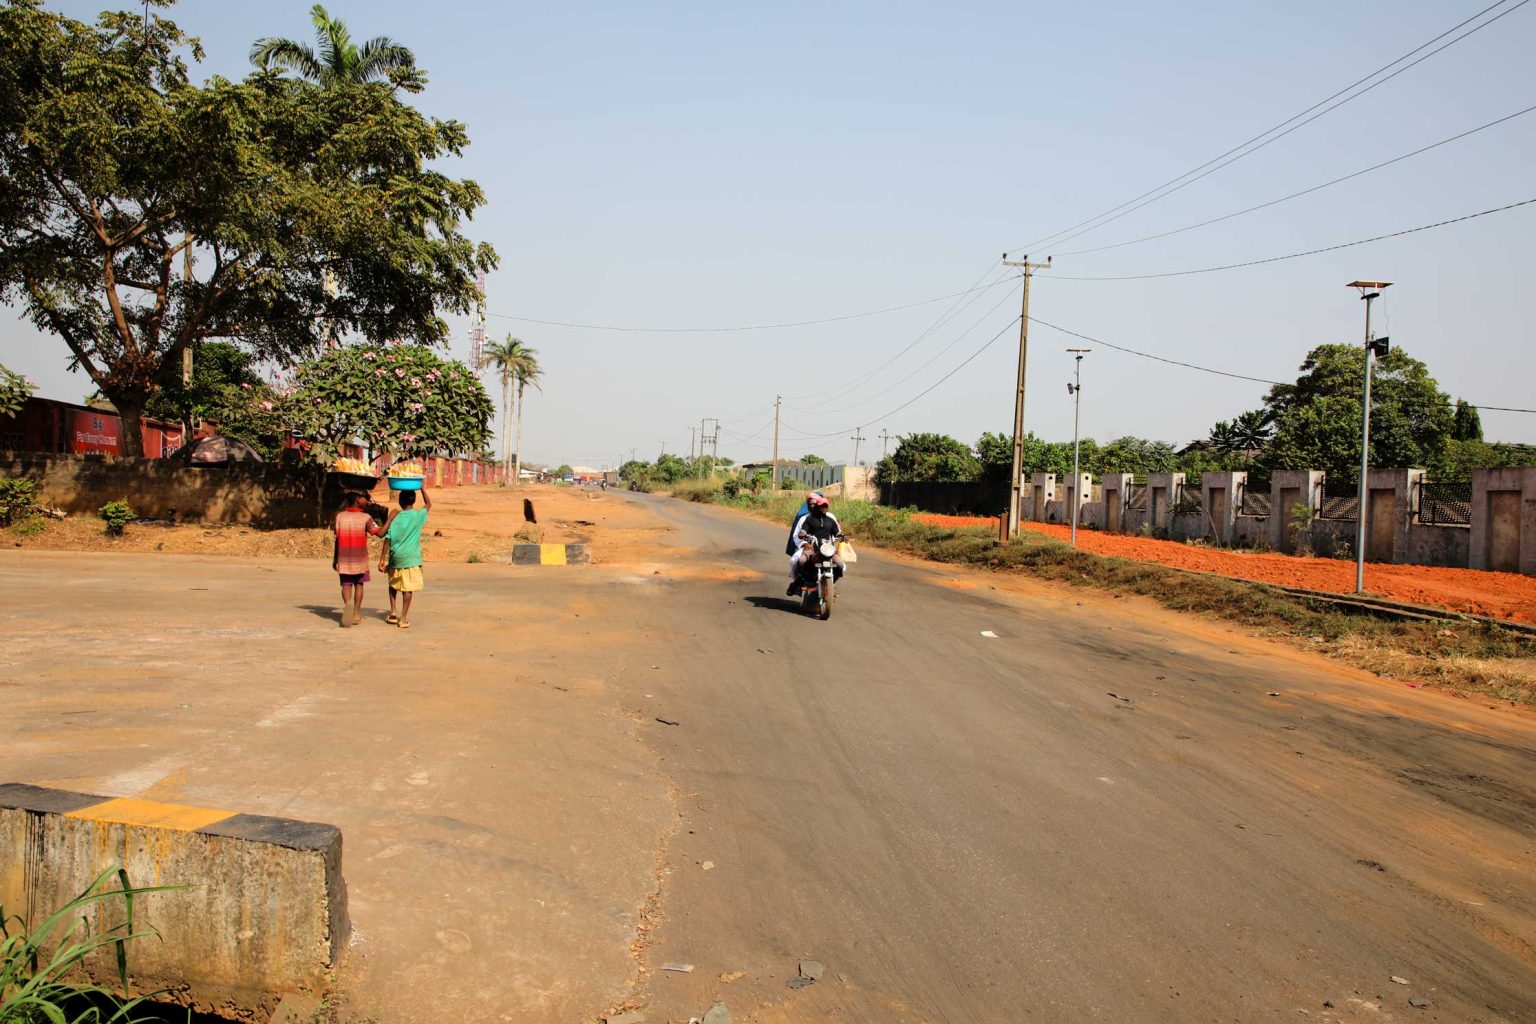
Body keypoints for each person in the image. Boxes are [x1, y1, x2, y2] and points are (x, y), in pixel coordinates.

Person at [379, 486, 431, 628]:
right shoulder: (418, 516)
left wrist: (382, 559)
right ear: (413, 501)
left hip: (396, 557)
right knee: (408, 589)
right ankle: (403, 618)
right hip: (412, 558)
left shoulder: (395, 517)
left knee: (392, 584)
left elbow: (387, 540)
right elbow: (428, 504)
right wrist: (421, 487)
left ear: (400, 501)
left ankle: (393, 612)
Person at [332, 491, 381, 628]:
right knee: (359, 585)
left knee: (346, 585)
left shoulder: (340, 516)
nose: (367, 500)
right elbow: (380, 533)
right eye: (365, 498)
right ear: (358, 500)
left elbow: (337, 539)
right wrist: (389, 518)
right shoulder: (366, 517)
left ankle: (348, 610)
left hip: (344, 558)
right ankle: (355, 614)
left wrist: (335, 558)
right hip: (360, 560)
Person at [787, 493, 845, 596]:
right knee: (799, 560)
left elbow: (837, 531)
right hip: (811, 546)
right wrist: (804, 543)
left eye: (825, 506)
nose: (812, 506)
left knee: (841, 565)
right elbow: (798, 534)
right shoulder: (806, 519)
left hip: (827, 548)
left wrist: (841, 536)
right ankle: (800, 581)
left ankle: (831, 585)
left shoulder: (831, 518)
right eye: (811, 504)